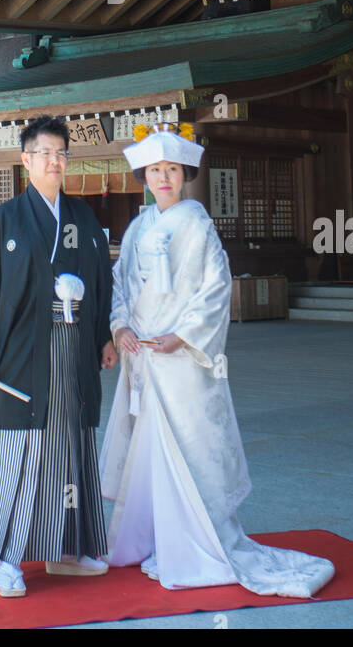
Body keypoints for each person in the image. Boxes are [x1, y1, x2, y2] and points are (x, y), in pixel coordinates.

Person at [100, 122, 336, 597]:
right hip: (142, 354)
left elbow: (215, 288)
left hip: (181, 360)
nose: (163, 178)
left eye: (172, 169)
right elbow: (119, 282)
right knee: (148, 446)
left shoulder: (197, 223)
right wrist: (120, 325)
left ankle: (196, 541)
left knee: (190, 444)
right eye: (154, 170)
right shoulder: (138, 226)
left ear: (185, 175)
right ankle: (153, 537)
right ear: (144, 176)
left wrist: (184, 336)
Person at [0, 115, 117, 598]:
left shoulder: (82, 218)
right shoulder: (7, 220)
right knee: (19, 452)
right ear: (26, 159)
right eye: (44, 153)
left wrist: (103, 336)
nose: (54, 161)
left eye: (61, 153)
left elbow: (101, 281)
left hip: (74, 351)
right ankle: (8, 559)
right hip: (21, 355)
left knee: (71, 446)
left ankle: (69, 547)